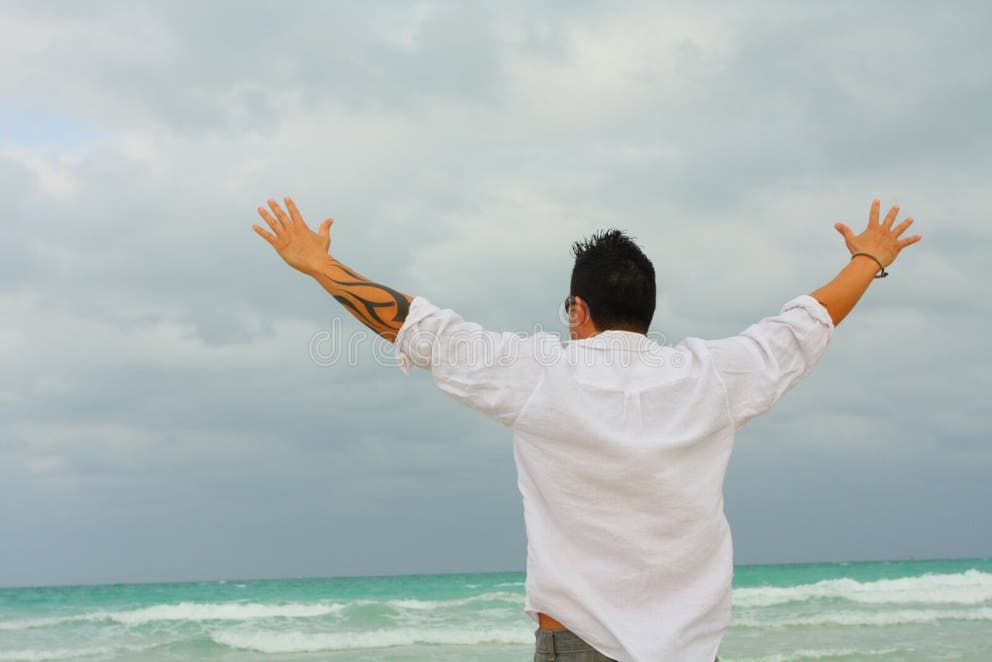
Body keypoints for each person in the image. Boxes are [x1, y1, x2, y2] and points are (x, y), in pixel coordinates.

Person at [253, 198, 921, 662]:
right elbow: (806, 322)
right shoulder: (712, 376)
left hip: (575, 645)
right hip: (692, 647)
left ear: (577, 309)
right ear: (647, 311)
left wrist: (318, 264)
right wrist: (870, 258)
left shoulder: (541, 373)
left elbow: (413, 325)